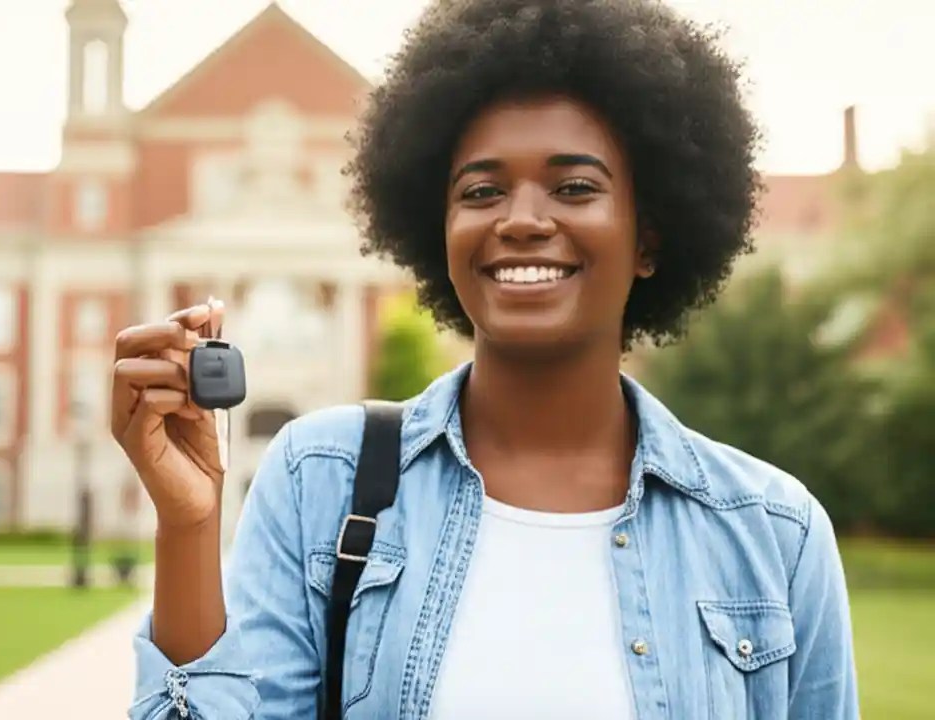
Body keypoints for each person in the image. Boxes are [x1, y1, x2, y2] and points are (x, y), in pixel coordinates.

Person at [110, 0, 859, 717]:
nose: (522, 219)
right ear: (436, 228)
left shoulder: (775, 532)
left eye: (573, 187)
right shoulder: (322, 480)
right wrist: (187, 528)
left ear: (649, 237)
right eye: (482, 190)